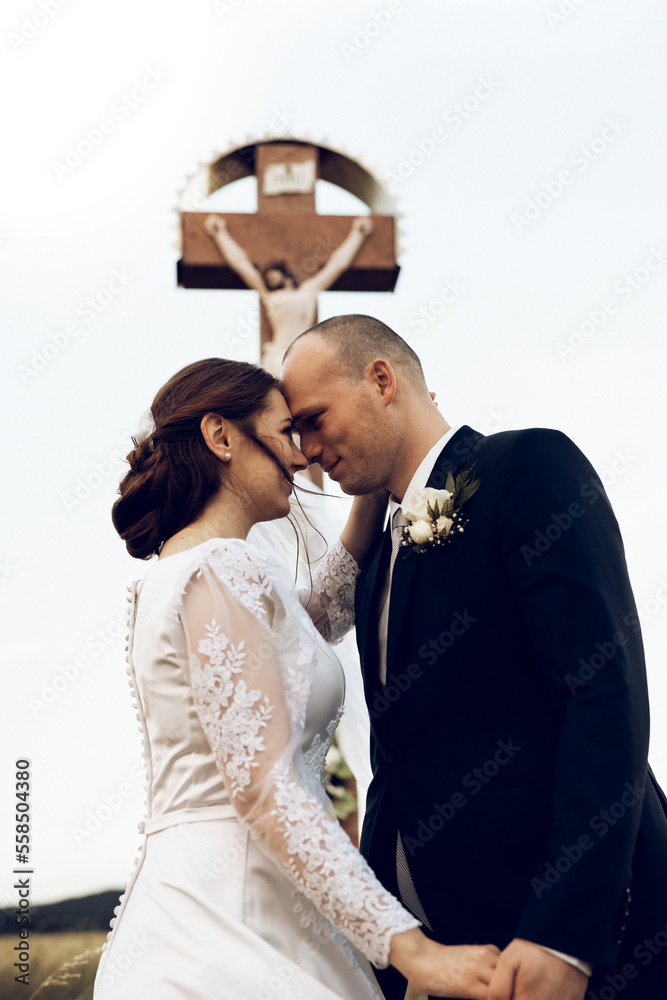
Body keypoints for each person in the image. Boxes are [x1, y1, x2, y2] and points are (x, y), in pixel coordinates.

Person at [281, 315, 667, 1000]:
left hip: (573, 942)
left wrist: (565, 932)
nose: (307, 450)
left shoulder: (526, 469)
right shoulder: (375, 556)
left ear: (380, 380)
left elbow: (604, 696)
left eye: (314, 419)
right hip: (448, 952)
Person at [93, 358, 499, 1000]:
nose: (303, 454)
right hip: (230, 924)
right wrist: (410, 949)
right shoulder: (219, 571)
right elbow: (265, 791)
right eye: (285, 432)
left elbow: (315, 621)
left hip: (216, 898)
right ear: (221, 437)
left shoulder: (198, 572)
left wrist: (376, 469)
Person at [204, 214, 374, 374]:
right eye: (267, 277)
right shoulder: (269, 296)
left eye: (273, 272)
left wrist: (357, 234)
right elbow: (241, 264)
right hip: (277, 358)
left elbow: (336, 265)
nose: (269, 277)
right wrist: (220, 233)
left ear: (285, 274)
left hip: (305, 357)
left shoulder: (309, 290)